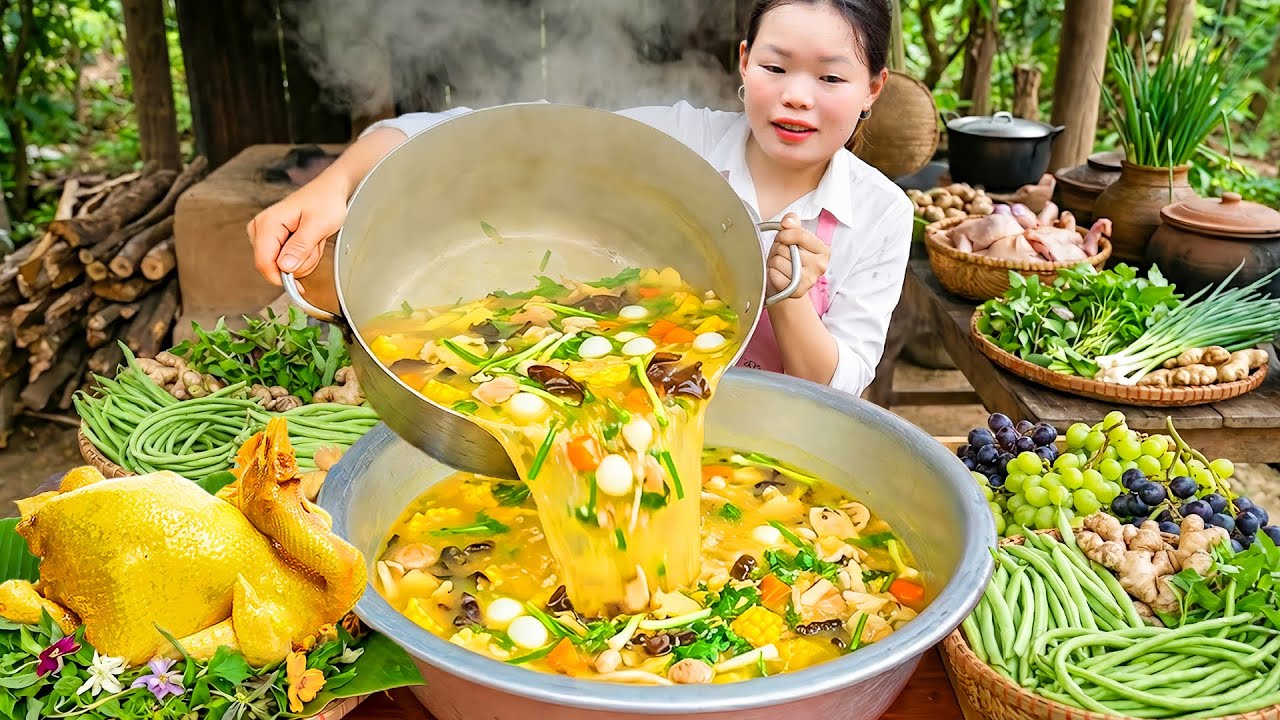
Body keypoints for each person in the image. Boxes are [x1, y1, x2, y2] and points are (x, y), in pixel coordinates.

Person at [249, 0, 913, 397]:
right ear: (743, 63)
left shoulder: (882, 212)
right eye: (776, 67)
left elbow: (837, 388)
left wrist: (791, 297)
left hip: (772, 449)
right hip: (616, 405)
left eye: (830, 76)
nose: (798, 95)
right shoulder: (681, 139)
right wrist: (334, 184)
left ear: (874, 88)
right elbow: (506, 129)